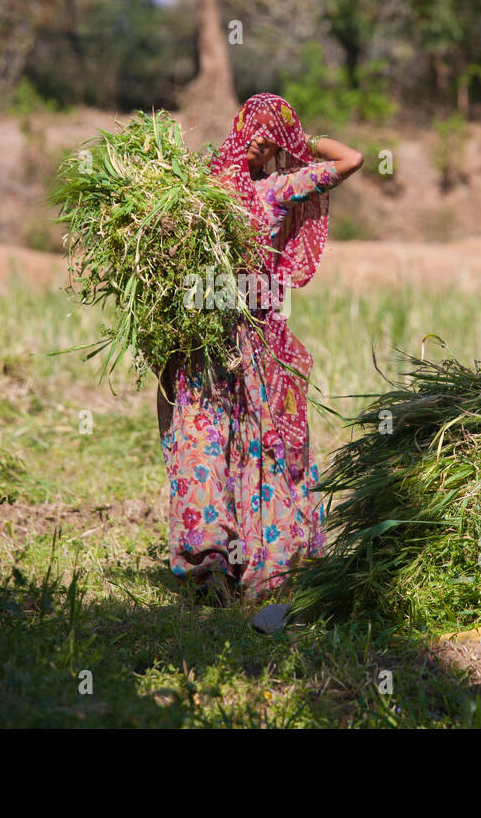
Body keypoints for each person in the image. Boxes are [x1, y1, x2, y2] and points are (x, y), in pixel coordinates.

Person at [157, 93, 363, 602]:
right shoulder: (200, 190)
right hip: (204, 343)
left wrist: (300, 137)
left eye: (272, 137)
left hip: (260, 344)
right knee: (201, 446)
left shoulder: (277, 190)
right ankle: (206, 564)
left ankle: (264, 564)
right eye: (254, 128)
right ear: (237, 127)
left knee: (264, 450)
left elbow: (351, 160)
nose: (260, 141)